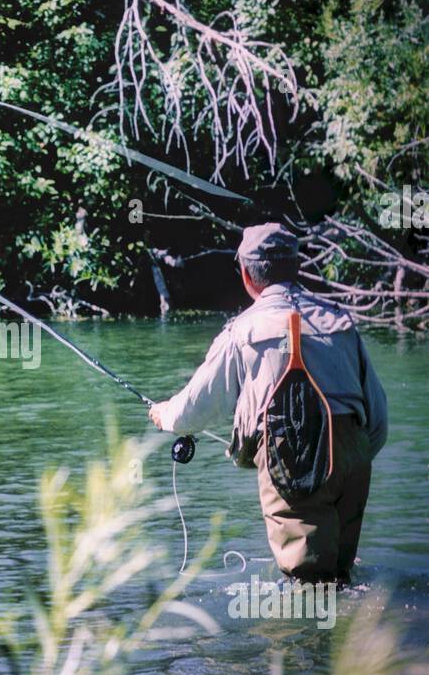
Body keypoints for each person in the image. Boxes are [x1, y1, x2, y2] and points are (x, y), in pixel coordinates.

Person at [148, 224, 388, 582]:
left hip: (295, 456)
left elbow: (192, 410)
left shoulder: (242, 331)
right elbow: (379, 420)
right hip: (354, 457)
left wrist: (162, 413)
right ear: (296, 266)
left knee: (308, 588)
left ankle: (309, 638)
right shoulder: (340, 320)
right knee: (341, 577)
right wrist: (348, 456)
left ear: (246, 274)